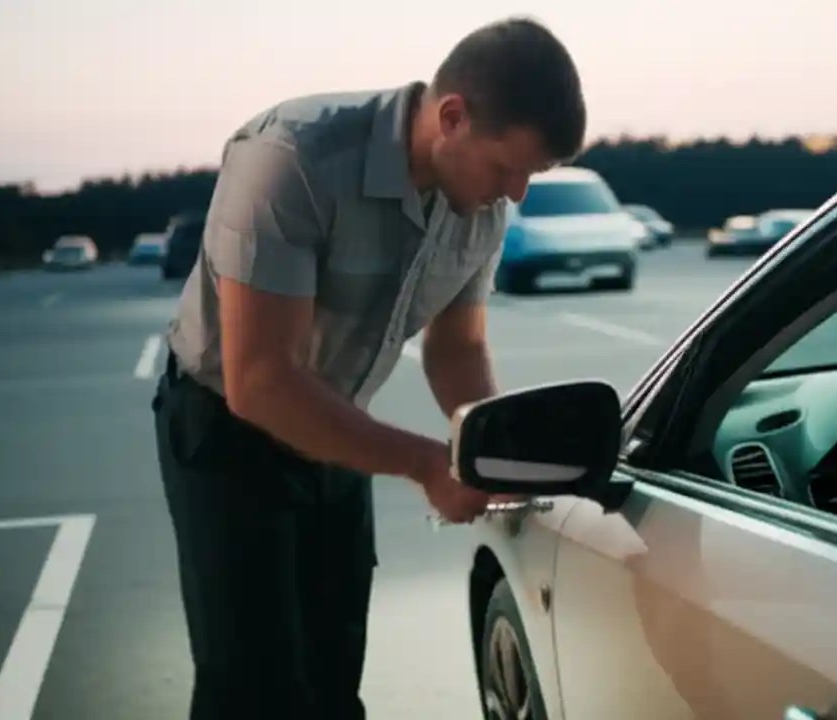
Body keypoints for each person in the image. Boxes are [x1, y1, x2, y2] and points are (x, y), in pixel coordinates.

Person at [150, 16, 586, 720]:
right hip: (225, 430)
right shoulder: (291, 158)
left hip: (338, 421)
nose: (518, 194)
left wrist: (499, 461)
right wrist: (423, 464)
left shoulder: (479, 203)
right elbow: (259, 381)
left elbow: (458, 351)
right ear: (452, 117)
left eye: (532, 176)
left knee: (331, 680)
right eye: (509, 168)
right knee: (255, 692)